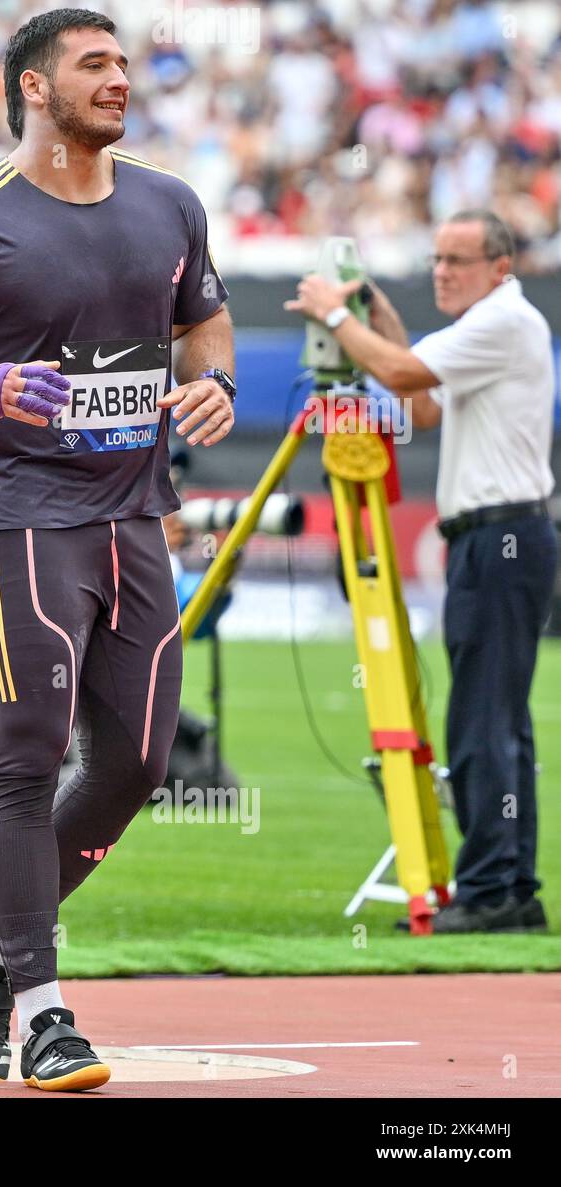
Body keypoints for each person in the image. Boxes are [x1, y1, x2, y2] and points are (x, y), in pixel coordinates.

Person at [0, 8, 236, 1090]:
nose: (121, 79)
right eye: (94, 65)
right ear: (34, 88)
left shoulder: (169, 203)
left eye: (123, 62)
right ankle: (41, 1007)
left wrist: (214, 381)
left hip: (133, 519)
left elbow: (203, 316)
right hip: (19, 518)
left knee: (136, 766)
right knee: (24, 759)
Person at [286, 210, 555, 935]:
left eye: (458, 260)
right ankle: (510, 886)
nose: (442, 270)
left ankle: (494, 888)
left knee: (482, 722)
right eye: (436, 257)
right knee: (497, 720)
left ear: (501, 266)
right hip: (496, 536)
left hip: (501, 535)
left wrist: (336, 313)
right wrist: (383, 320)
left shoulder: (503, 321)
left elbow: (403, 377)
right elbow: (423, 406)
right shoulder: (495, 323)